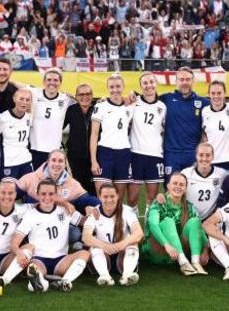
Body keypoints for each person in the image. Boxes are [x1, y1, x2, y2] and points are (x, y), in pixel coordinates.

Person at [6, 180, 90, 293]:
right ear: (37, 194)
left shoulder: (65, 210)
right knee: (33, 270)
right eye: (43, 194)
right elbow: (14, 243)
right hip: (39, 259)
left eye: (51, 194)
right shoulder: (30, 215)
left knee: (84, 253)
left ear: (56, 195)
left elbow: (86, 222)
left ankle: (65, 281)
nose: (47, 197)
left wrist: (91, 212)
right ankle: (40, 282)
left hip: (61, 260)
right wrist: (19, 253)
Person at [146, 172, 209, 276]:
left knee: (195, 221)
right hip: (159, 250)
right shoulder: (159, 202)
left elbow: (199, 229)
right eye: (175, 183)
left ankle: (195, 262)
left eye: (181, 184)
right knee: (168, 221)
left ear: (185, 188)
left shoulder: (189, 206)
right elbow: (153, 225)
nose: (178, 187)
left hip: (177, 250)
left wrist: (206, 249)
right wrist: (166, 245)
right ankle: (183, 263)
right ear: (168, 186)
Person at [82, 183, 143, 286]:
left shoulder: (126, 210)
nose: (109, 200)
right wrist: (104, 246)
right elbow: (86, 237)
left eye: (112, 196)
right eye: (105, 197)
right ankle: (105, 276)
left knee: (133, 243)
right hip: (103, 257)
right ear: (100, 197)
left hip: (123, 255)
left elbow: (139, 233)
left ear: (118, 196)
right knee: (95, 247)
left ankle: (127, 275)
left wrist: (121, 244)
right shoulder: (95, 212)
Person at [90, 74, 133, 199]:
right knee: (102, 196)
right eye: (112, 87)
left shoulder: (130, 107)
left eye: (118, 86)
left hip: (124, 153)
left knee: (118, 198)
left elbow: (138, 97)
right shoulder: (100, 106)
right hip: (104, 153)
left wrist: (130, 97)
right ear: (107, 88)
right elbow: (94, 135)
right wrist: (94, 161)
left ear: (123, 87)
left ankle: (118, 219)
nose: (115, 90)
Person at [160, 67, 210, 176]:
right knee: (171, 190)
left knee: (192, 190)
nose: (185, 82)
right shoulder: (166, 99)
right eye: (181, 79)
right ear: (176, 81)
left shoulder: (203, 103)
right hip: (171, 155)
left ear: (193, 81)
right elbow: (146, 100)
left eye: (188, 79)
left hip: (193, 155)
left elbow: (221, 108)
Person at [129, 72, 166, 208]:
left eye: (151, 82)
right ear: (140, 86)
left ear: (156, 84)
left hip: (155, 156)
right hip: (135, 154)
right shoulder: (134, 102)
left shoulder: (163, 107)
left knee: (152, 199)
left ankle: (149, 229)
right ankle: (132, 229)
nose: (148, 85)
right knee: (132, 199)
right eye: (145, 83)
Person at [29, 68, 74, 169]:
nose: (52, 83)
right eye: (49, 80)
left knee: (54, 183)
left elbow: (83, 102)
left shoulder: (66, 99)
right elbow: (16, 86)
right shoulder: (34, 93)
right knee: (36, 182)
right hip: (35, 149)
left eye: (55, 80)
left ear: (60, 83)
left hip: (55, 152)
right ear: (44, 82)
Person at [181, 142, 229, 219]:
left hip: (209, 218)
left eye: (208, 155)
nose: (204, 159)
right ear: (196, 156)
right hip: (190, 218)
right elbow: (173, 189)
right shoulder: (186, 173)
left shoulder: (221, 174)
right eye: (201, 155)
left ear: (213, 156)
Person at [0, 88, 35, 181]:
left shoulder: (29, 117)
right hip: (9, 162)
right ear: (14, 99)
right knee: (8, 192)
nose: (24, 102)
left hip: (26, 160)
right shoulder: (2, 118)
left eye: (27, 100)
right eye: (21, 99)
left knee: (29, 190)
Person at [63, 83, 96, 195]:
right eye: (81, 94)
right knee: (75, 190)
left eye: (88, 94)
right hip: (74, 158)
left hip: (94, 158)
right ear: (76, 96)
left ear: (92, 96)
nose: (84, 97)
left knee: (92, 191)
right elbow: (58, 127)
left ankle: (92, 211)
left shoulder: (98, 109)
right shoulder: (71, 110)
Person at [201, 81, 229, 172]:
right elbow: (203, 132)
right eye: (213, 93)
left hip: (228, 160)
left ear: (225, 93)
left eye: (219, 93)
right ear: (208, 94)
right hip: (210, 160)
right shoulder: (204, 111)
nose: (216, 96)